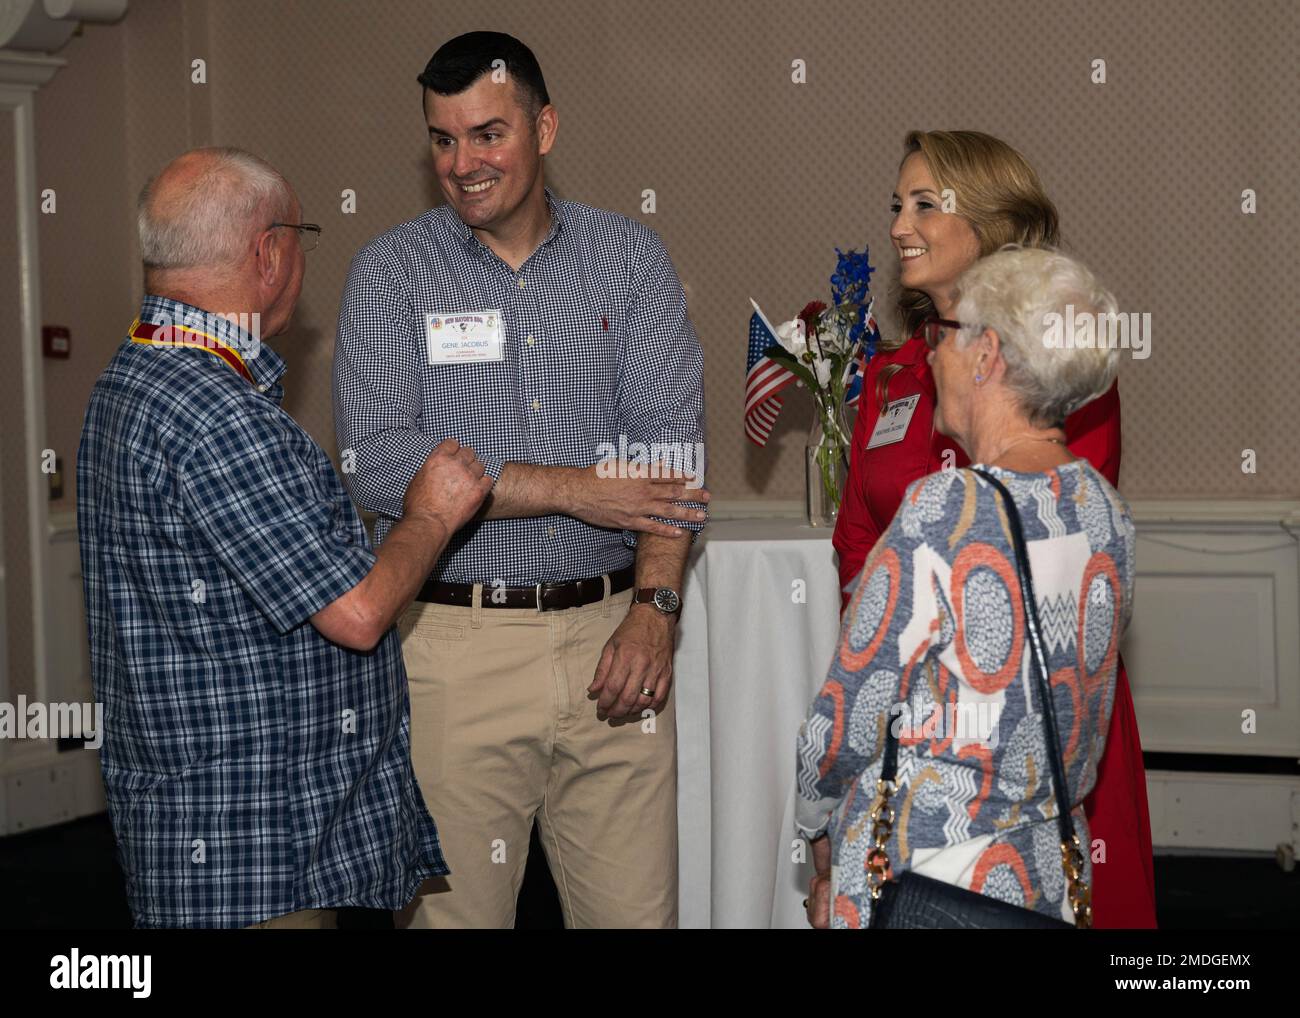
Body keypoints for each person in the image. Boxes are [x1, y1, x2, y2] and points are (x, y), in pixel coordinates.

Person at [333, 32, 708, 929]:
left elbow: (672, 461)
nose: (463, 164)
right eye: (442, 139)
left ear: (544, 128)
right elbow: (378, 461)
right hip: (454, 652)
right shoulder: (390, 275)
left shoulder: (630, 260)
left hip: (614, 640)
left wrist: (655, 615)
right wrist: (574, 488)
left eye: (487, 135)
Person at [77, 147, 493, 929]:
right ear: (268, 253)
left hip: (200, 829)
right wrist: (433, 513)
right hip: (253, 851)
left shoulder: (130, 378)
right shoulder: (220, 415)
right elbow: (359, 613)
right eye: (300, 233)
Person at [831, 130, 1154, 927]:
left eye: (926, 205)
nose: (901, 224)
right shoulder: (893, 372)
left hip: (1034, 729)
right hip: (907, 716)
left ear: (989, 224)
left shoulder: (1062, 371)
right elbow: (853, 538)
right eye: (896, 205)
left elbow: (1062, 543)